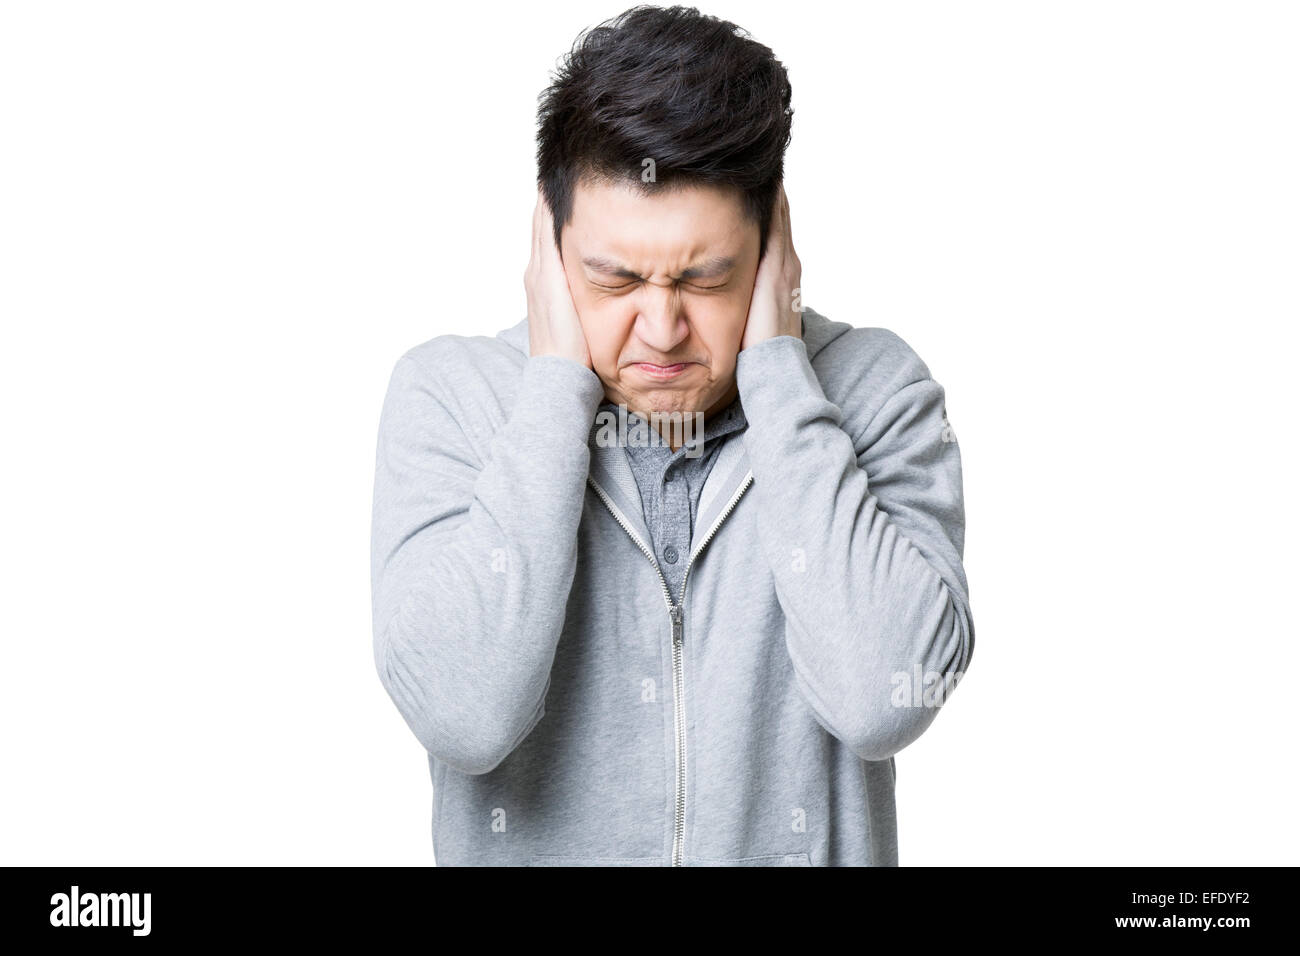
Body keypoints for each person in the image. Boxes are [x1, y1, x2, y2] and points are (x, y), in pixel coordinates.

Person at [369, 4, 974, 866]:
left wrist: (778, 373)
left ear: (772, 250)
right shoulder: (454, 399)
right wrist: (553, 394)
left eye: (705, 277)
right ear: (548, 244)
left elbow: (884, 698)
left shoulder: (876, 392)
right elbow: (465, 715)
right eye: (613, 278)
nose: (661, 328)